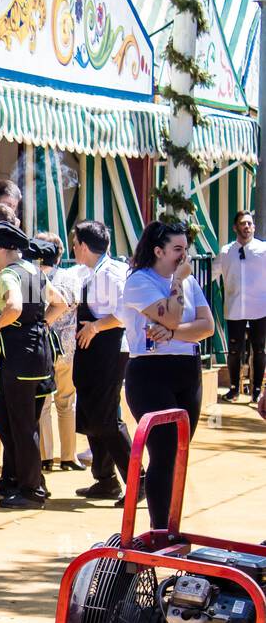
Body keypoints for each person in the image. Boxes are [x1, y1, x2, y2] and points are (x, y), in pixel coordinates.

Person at [121, 221, 215, 529]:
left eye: (185, 250)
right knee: (163, 451)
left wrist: (172, 332)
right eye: (177, 250)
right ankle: (160, 528)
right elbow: (173, 314)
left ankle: (171, 525)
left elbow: (207, 327)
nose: (184, 256)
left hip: (186, 370)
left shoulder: (186, 279)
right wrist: (176, 288)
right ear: (158, 251)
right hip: (150, 372)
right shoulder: (139, 280)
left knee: (178, 454)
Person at [0, 224, 64, 509]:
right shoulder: (33, 270)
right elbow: (60, 303)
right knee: (6, 419)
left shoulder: (8, 274)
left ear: (2, 249)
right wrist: (41, 325)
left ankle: (32, 491)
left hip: (19, 357)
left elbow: (14, 307)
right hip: (39, 353)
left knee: (22, 424)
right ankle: (21, 478)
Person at [70, 220, 134, 503]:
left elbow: (123, 313)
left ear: (84, 246)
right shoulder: (89, 272)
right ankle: (105, 479)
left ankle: (137, 479)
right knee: (91, 414)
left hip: (109, 349)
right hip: (92, 351)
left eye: (75, 243)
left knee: (106, 417)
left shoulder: (112, 273)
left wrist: (95, 327)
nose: (73, 248)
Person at [32, 232, 83, 472]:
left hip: (43, 349)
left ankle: (45, 456)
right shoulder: (70, 278)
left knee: (44, 404)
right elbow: (73, 305)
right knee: (66, 402)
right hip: (67, 349)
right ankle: (68, 456)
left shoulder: (34, 279)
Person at [213, 210, 266, 403]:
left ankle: (257, 390)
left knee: (259, 350)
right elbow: (211, 272)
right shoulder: (226, 251)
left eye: (250, 223)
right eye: (243, 223)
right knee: (235, 350)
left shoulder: (263, 249)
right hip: (235, 309)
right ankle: (234, 389)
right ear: (235, 227)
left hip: (260, 308)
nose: (247, 227)